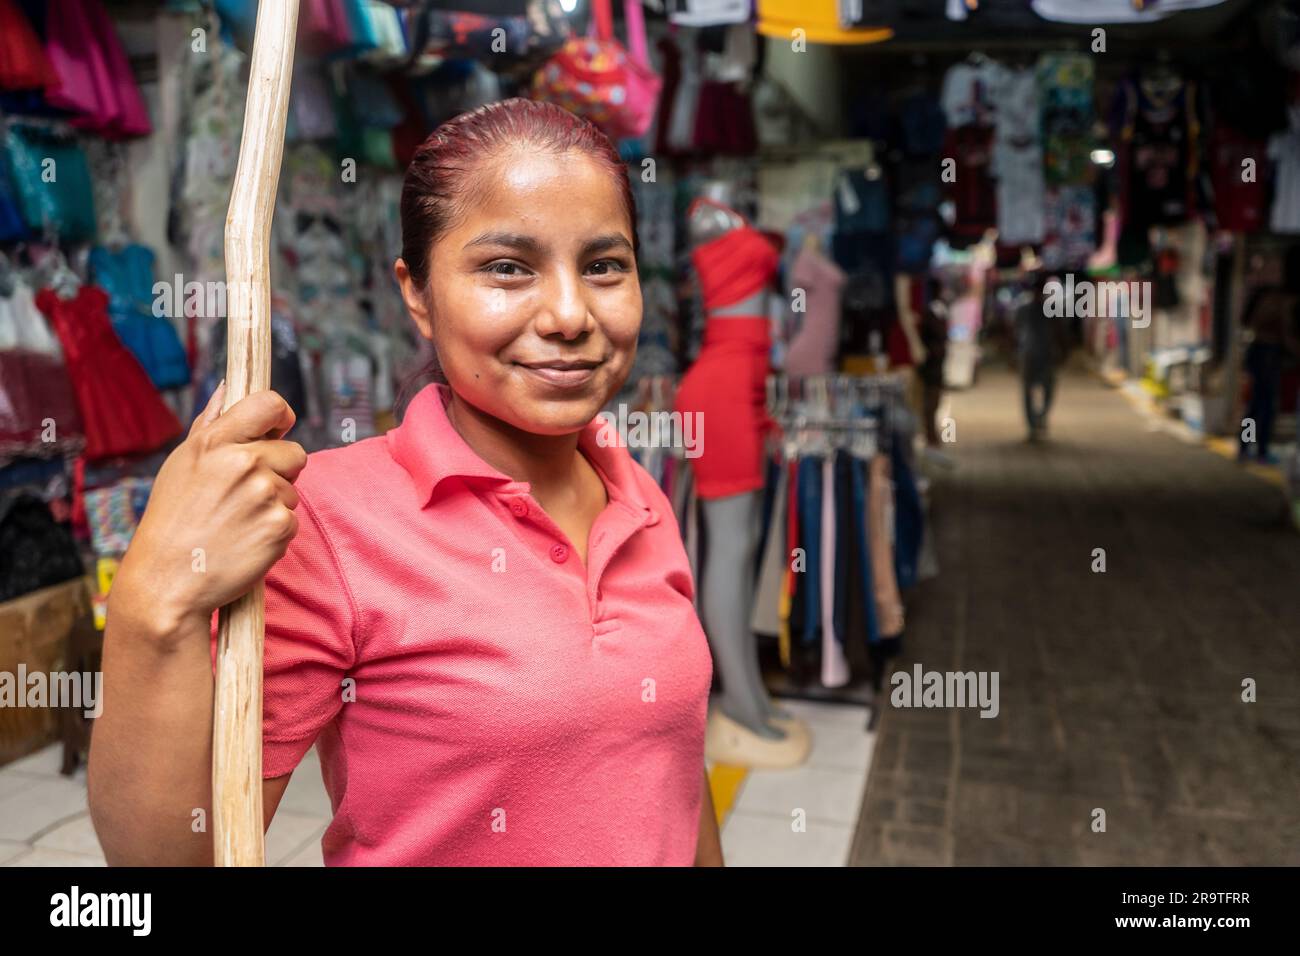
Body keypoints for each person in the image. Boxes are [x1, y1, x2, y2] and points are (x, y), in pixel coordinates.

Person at [88, 99, 722, 867]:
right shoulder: (322, 520)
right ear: (416, 292)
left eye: (602, 266)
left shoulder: (640, 496)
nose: (568, 313)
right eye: (507, 268)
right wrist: (156, 598)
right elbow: (172, 858)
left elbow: (674, 780)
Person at [1238, 245, 1300, 465]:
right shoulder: (1279, 298)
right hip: (1267, 352)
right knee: (1264, 404)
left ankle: (1246, 448)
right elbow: (1283, 330)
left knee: (1256, 404)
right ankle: (1258, 450)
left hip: (1259, 351)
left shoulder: (1263, 294)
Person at [1016, 271, 1064, 441]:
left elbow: (1059, 331)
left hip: (1041, 352)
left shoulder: (1051, 308)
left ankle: (1038, 420)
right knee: (1035, 389)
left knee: (1041, 389)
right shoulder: (1026, 307)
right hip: (1033, 352)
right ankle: (1036, 421)